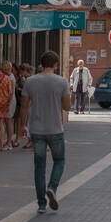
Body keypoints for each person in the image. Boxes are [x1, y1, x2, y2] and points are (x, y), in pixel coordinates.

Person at [22, 51, 72, 213]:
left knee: (39, 167)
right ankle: (52, 187)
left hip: (36, 130)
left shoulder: (30, 81)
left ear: (42, 64)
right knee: (59, 160)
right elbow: (67, 107)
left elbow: (24, 106)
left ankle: (41, 204)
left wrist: (23, 126)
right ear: (56, 64)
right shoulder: (62, 82)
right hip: (55, 128)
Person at [12, 63, 32, 147]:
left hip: (27, 103)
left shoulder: (27, 79)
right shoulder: (27, 78)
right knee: (28, 122)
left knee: (28, 122)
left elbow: (26, 91)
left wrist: (18, 88)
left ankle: (30, 141)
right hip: (26, 102)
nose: (20, 73)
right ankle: (29, 141)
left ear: (24, 71)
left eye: (21, 71)